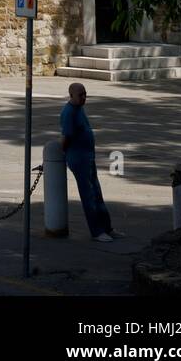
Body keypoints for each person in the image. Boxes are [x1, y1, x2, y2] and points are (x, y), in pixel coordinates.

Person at [60, 82, 115, 242]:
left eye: (85, 94)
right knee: (88, 195)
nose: (84, 97)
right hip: (79, 158)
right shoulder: (69, 112)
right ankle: (97, 231)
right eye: (80, 95)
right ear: (71, 96)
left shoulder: (78, 108)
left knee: (97, 193)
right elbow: (66, 137)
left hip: (88, 156)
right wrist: (61, 153)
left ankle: (107, 228)